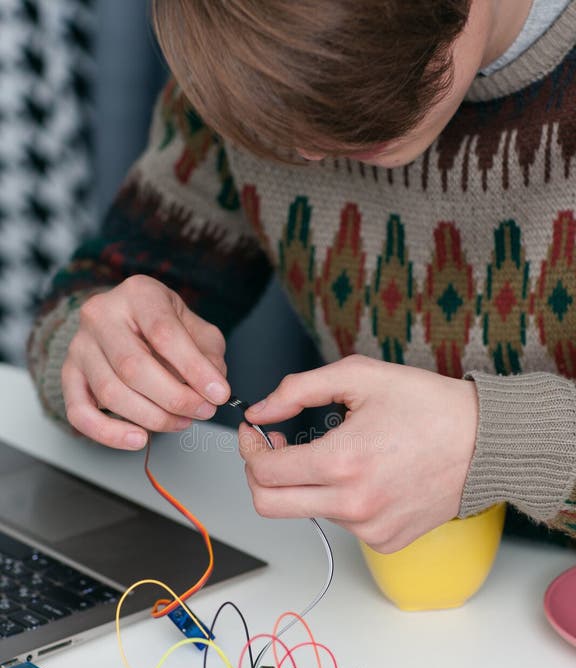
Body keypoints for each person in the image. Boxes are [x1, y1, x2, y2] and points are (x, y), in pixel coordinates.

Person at [28, 0, 576, 552]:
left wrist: (499, 444)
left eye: (356, 114)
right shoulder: (247, 57)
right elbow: (100, 290)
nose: (306, 153)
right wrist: (99, 356)